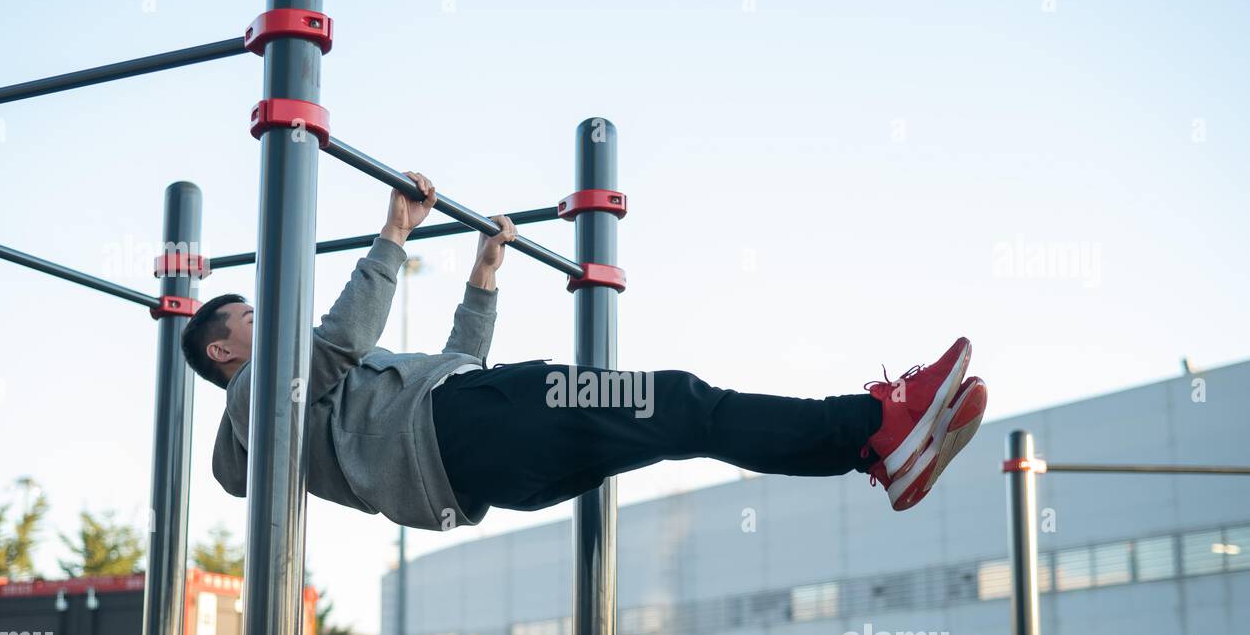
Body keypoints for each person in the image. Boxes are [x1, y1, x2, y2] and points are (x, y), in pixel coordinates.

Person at [182, 173, 988, 532]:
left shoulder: (312, 409)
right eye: (249, 315)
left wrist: (482, 282)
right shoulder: (254, 398)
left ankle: (877, 450)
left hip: (488, 463)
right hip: (474, 433)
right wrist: (392, 233)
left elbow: (450, 372)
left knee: (683, 423)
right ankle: (879, 425)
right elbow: (341, 341)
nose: (265, 319)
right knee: (679, 405)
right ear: (222, 348)